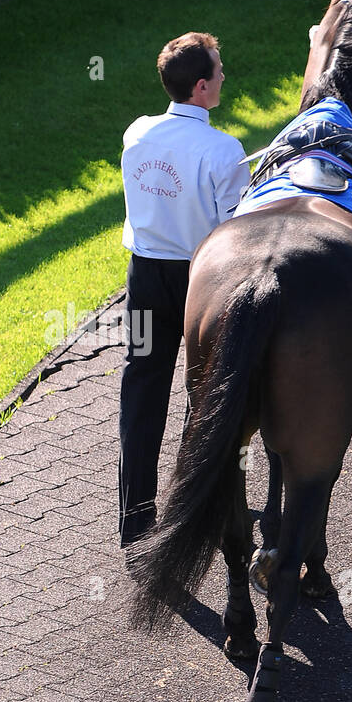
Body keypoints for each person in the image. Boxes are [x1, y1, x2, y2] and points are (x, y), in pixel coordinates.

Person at [118, 31, 250, 547]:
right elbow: (233, 230)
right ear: (200, 87)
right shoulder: (224, 151)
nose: (223, 77)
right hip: (201, 282)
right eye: (218, 71)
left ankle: (135, 519)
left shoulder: (136, 134)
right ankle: (193, 508)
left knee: (142, 391)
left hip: (146, 277)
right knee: (205, 393)